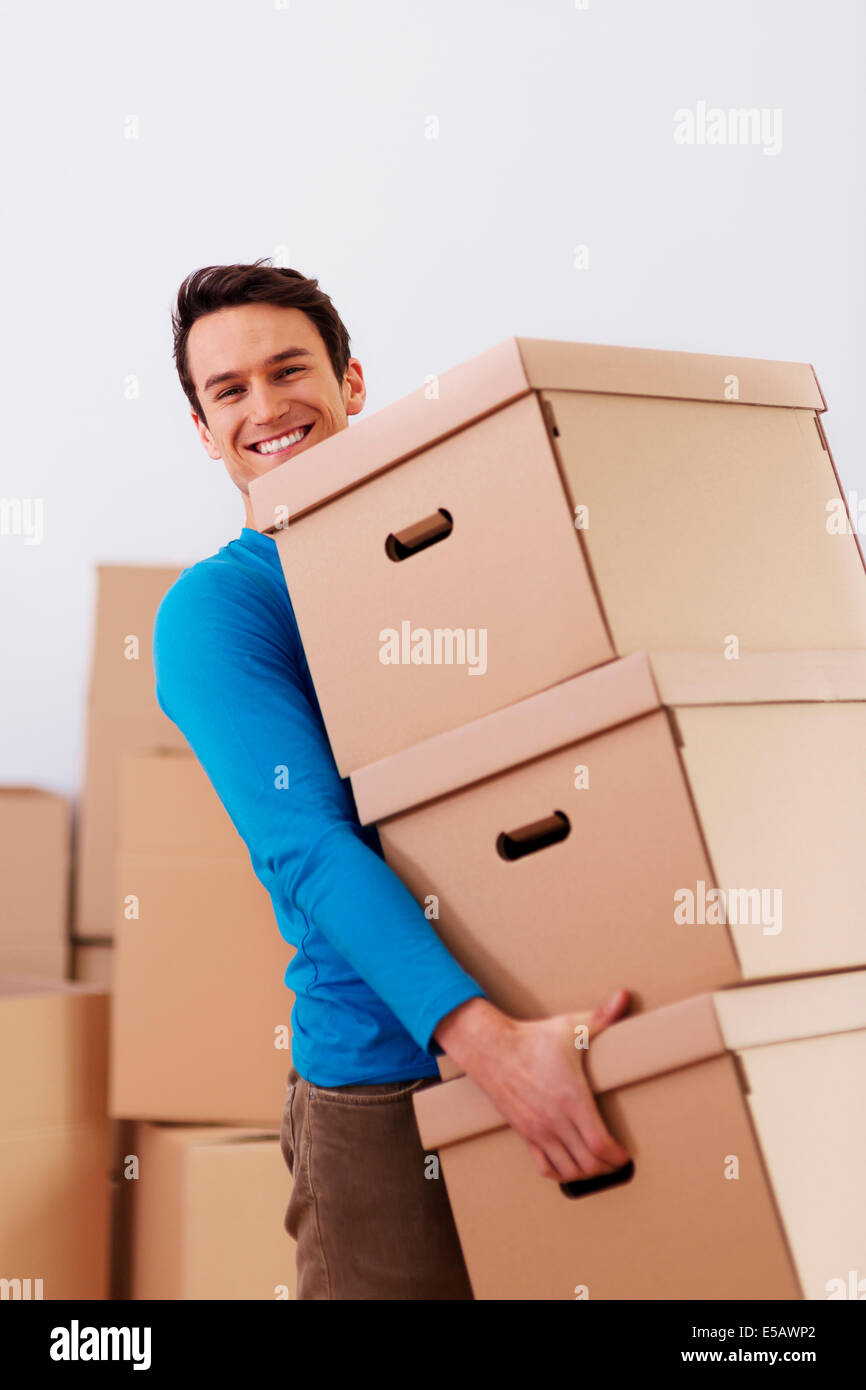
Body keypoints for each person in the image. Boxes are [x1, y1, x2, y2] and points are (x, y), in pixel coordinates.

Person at [153, 259, 631, 1300]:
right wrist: (490, 1046)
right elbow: (307, 848)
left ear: (352, 382)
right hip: (390, 1081)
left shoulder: (461, 550)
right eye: (228, 391)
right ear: (202, 429)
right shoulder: (218, 613)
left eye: (289, 370)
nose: (267, 407)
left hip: (577, 1023)